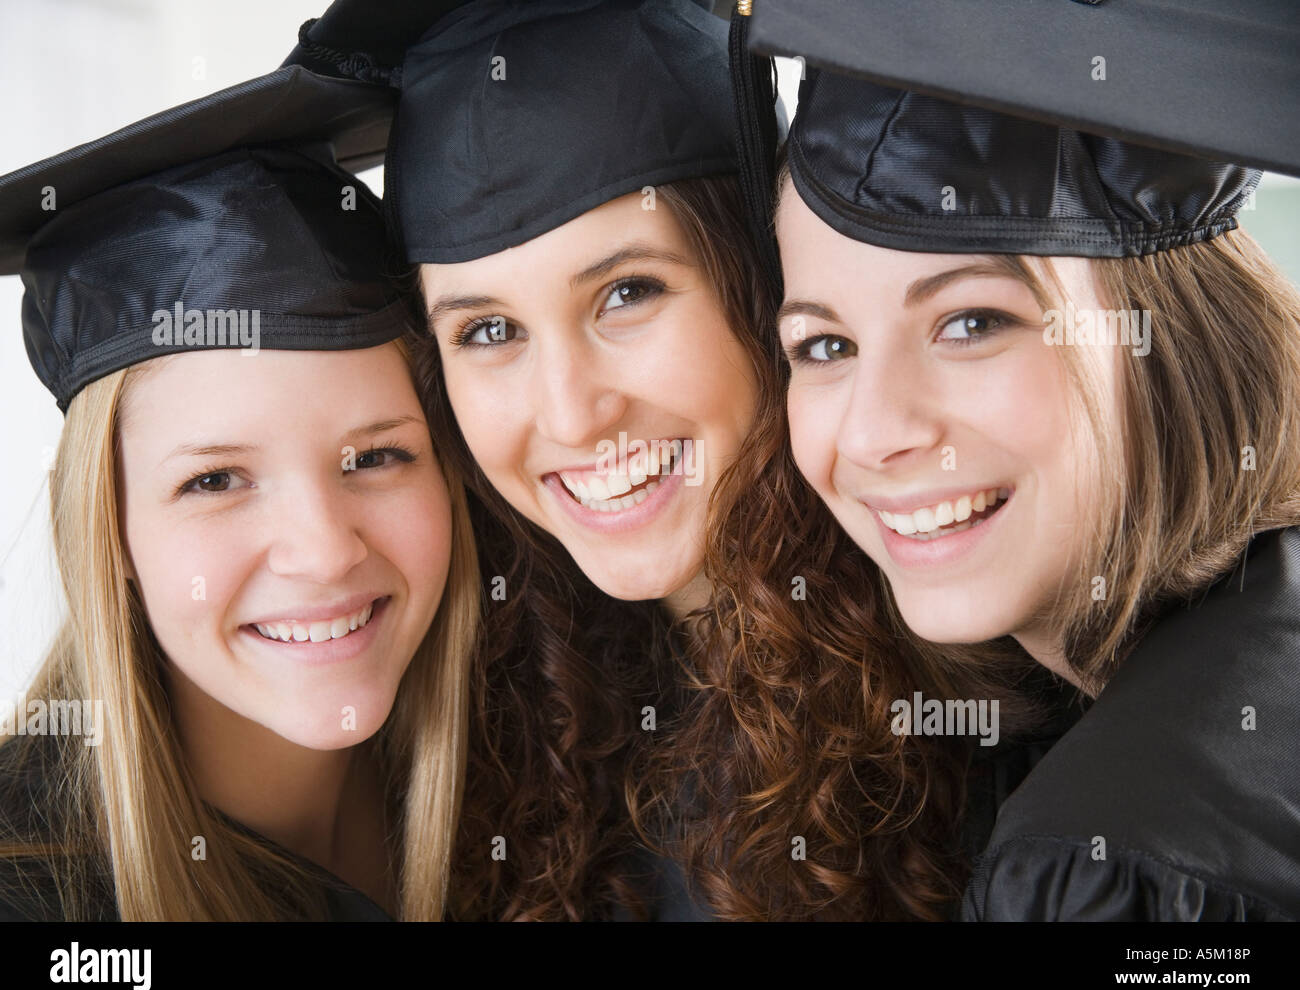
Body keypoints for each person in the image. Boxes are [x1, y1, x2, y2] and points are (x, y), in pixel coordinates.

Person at [364, 0, 1016, 919]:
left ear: (761, 282)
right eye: (489, 330)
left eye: (627, 292)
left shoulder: (987, 717)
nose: (571, 412)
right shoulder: (497, 728)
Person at [755, 3, 1300, 919]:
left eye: (972, 323)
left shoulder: (1106, 871)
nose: (877, 430)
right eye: (823, 347)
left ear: (1168, 341)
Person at [0, 67, 479, 921]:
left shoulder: (553, 784)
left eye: (376, 456)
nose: (326, 548)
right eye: (214, 479)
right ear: (108, 530)